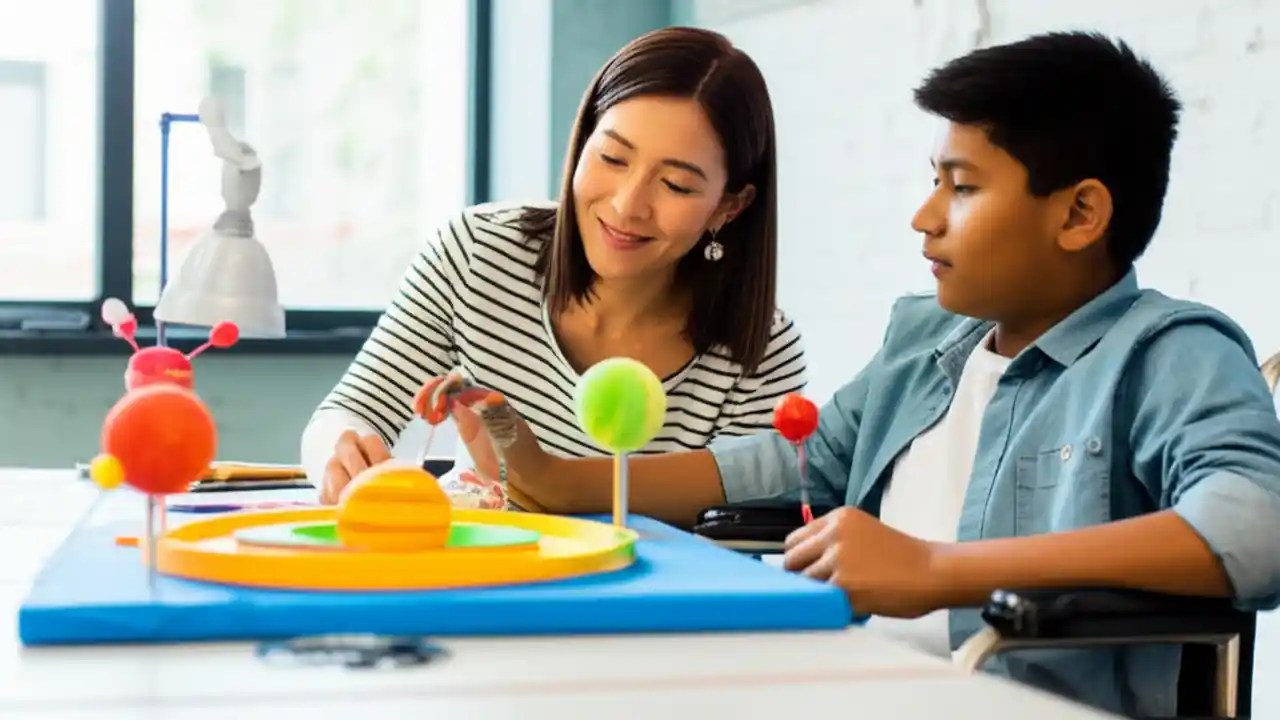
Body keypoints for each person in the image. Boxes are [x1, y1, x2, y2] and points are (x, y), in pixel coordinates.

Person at [448, 32, 1280, 717]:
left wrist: (935, 568)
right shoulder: (923, 343)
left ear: (1079, 214)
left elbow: (1256, 530)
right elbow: (778, 466)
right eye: (932, 181)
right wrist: (548, 473)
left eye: (961, 187)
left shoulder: (1171, 352)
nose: (924, 216)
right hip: (841, 683)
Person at [300, 27, 807, 505]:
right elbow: (349, 412)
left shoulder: (758, 349)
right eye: (612, 157)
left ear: (729, 206)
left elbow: (740, 525)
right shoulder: (479, 251)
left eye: (675, 185)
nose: (628, 205)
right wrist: (341, 457)